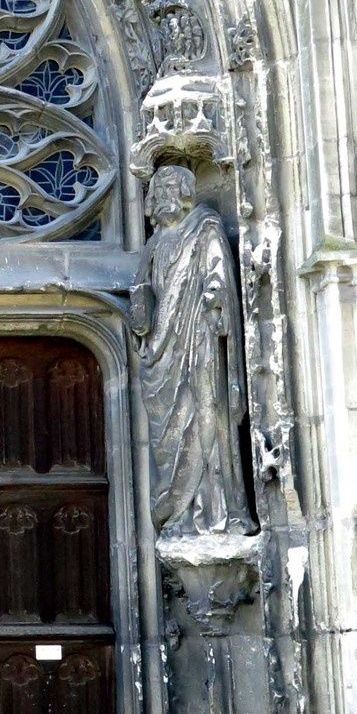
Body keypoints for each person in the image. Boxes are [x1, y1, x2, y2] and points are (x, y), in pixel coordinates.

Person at [131, 164, 255, 539]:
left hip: (198, 344)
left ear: (186, 190)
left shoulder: (206, 228)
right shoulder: (154, 244)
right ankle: (179, 514)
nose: (164, 195)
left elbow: (219, 279)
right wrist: (141, 314)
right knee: (169, 435)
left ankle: (217, 515)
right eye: (158, 189)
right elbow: (142, 291)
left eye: (172, 186)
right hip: (162, 354)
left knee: (208, 419)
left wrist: (215, 299)